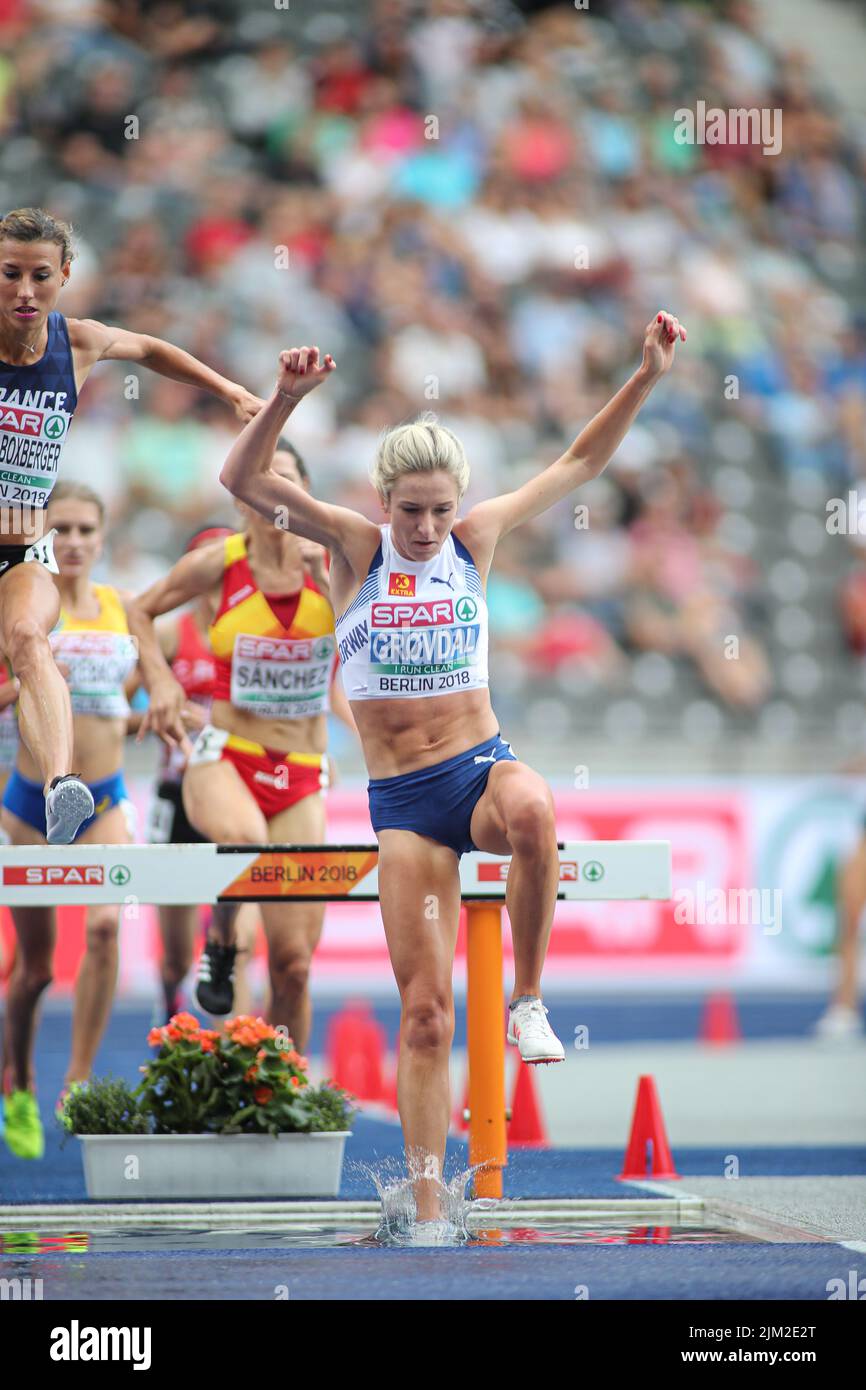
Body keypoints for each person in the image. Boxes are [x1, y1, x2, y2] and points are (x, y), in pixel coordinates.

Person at [197, 318, 687, 1221]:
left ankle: (530, 1001)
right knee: (425, 1016)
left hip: (479, 770)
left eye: (441, 510)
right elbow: (240, 477)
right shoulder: (351, 546)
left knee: (535, 809)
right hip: (408, 808)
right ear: (383, 503)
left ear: (460, 504)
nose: (426, 528)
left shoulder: (477, 538)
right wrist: (288, 399)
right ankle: (428, 1211)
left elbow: (578, 464)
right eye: (411, 510)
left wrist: (644, 379)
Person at [0, 206, 263, 844]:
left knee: (31, 643)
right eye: (9, 275)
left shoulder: (78, 342)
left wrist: (228, 391)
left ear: (65, 274)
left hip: (23, 549)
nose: (25, 292)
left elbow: (147, 349)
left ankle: (62, 785)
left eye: (40, 275)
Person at [128, 439, 356, 1050]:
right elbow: (138, 612)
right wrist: (158, 682)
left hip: (303, 768)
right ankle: (223, 941)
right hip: (225, 756)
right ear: (244, 497)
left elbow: (381, 642)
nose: (275, 495)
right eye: (263, 482)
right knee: (247, 844)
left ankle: (288, 1095)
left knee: (295, 966)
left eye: (287, 483)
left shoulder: (340, 565)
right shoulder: (219, 564)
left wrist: (322, 574)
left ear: (306, 496)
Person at [0, 481, 143, 1159]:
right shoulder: (22, 611)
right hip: (30, 806)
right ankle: (21, 1080)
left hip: (105, 799)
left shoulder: (124, 609)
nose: (75, 541)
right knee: (33, 970)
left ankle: (79, 1080)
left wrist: (159, 707)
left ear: (104, 535)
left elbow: (155, 685)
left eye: (87, 529)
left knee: (109, 926)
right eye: (61, 529)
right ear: (39, 538)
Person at [145, 523, 260, 1024]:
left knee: (240, 946)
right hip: (177, 796)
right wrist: (164, 708)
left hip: (238, 795)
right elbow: (122, 713)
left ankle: (235, 1063)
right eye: (204, 564)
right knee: (174, 955)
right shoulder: (173, 632)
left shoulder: (256, 630)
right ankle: (171, 1011)